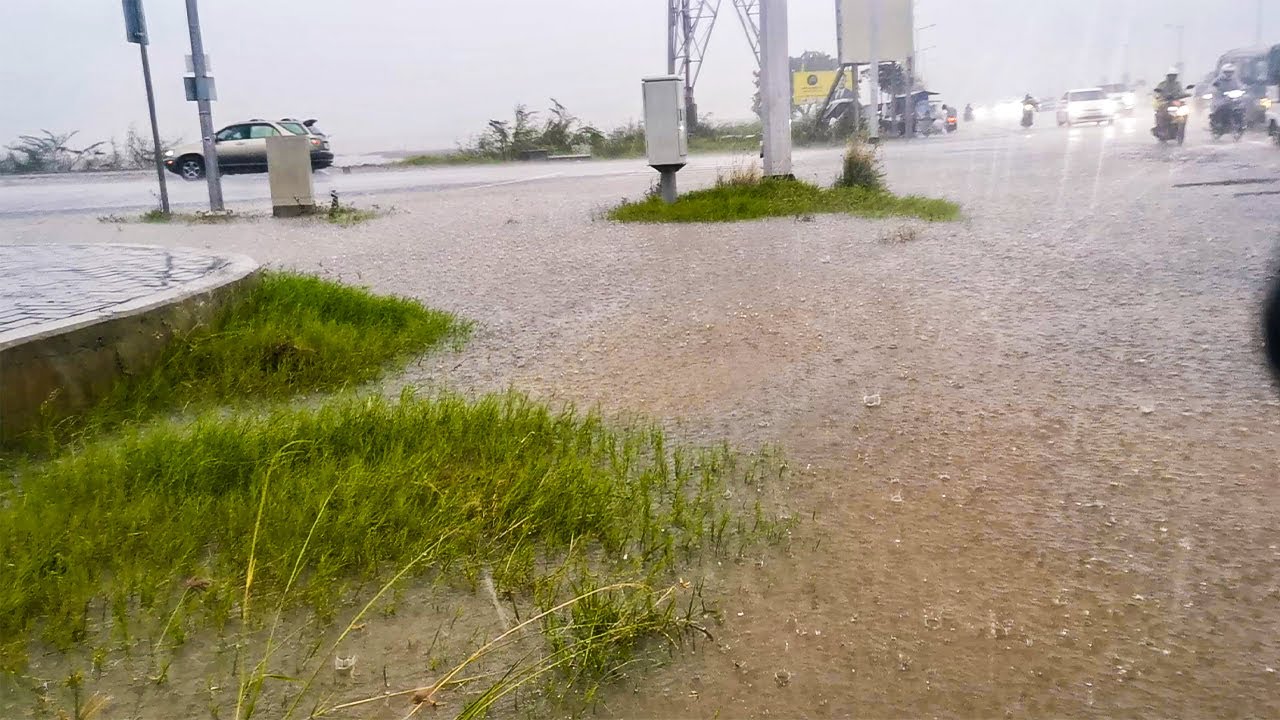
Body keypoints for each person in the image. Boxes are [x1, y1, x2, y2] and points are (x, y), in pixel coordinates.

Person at [1153, 66, 1189, 136]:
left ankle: (1181, 127)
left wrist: (1186, 94)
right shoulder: (1162, 84)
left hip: (1175, 102)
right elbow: (1157, 92)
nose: (1173, 77)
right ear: (1168, 76)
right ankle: (1161, 129)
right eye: (1171, 76)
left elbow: (1181, 92)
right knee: (1160, 113)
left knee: (1184, 111)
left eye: (1174, 76)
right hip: (1165, 102)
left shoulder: (1178, 84)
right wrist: (1159, 96)